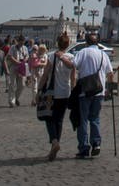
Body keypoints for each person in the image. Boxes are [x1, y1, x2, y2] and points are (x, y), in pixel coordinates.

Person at [69, 31, 114, 159]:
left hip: (85, 91)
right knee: (95, 119)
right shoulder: (103, 54)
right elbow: (110, 73)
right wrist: (110, 89)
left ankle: (84, 147)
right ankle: (96, 143)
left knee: (83, 120)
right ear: (97, 42)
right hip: (99, 91)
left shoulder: (83, 52)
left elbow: (74, 65)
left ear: (86, 42)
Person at [38, 32, 76, 161]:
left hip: (52, 93)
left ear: (57, 43)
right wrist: (73, 91)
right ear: (68, 44)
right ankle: (55, 147)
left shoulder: (50, 56)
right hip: (65, 93)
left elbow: (45, 75)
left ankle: (54, 142)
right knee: (59, 120)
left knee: (49, 118)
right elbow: (73, 77)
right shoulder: (71, 57)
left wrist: (38, 90)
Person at [6, 34, 29, 107]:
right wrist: (17, 62)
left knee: (22, 85)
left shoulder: (25, 48)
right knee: (12, 84)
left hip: (22, 67)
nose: (22, 44)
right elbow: (10, 56)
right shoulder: (13, 47)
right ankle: (11, 101)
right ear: (18, 41)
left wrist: (25, 60)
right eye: (20, 42)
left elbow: (27, 56)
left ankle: (16, 97)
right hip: (14, 67)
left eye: (23, 42)